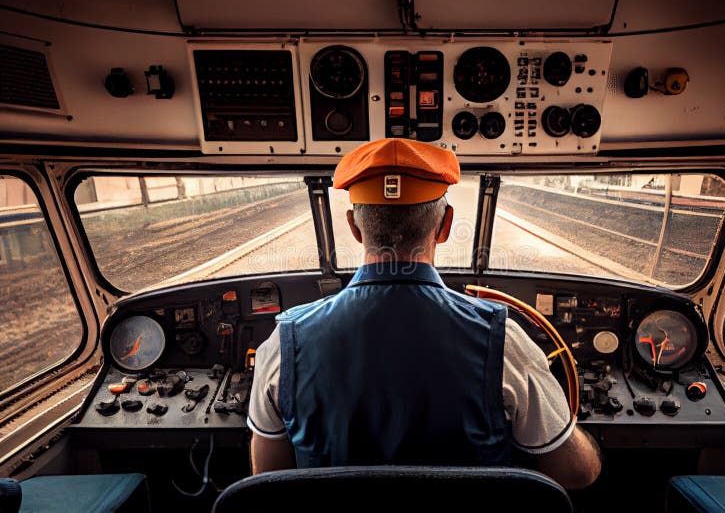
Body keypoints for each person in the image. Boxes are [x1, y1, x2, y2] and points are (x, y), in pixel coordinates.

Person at [248, 138, 601, 489]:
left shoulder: (284, 342)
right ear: (445, 225)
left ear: (355, 229)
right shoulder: (502, 339)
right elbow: (577, 473)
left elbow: (268, 481)